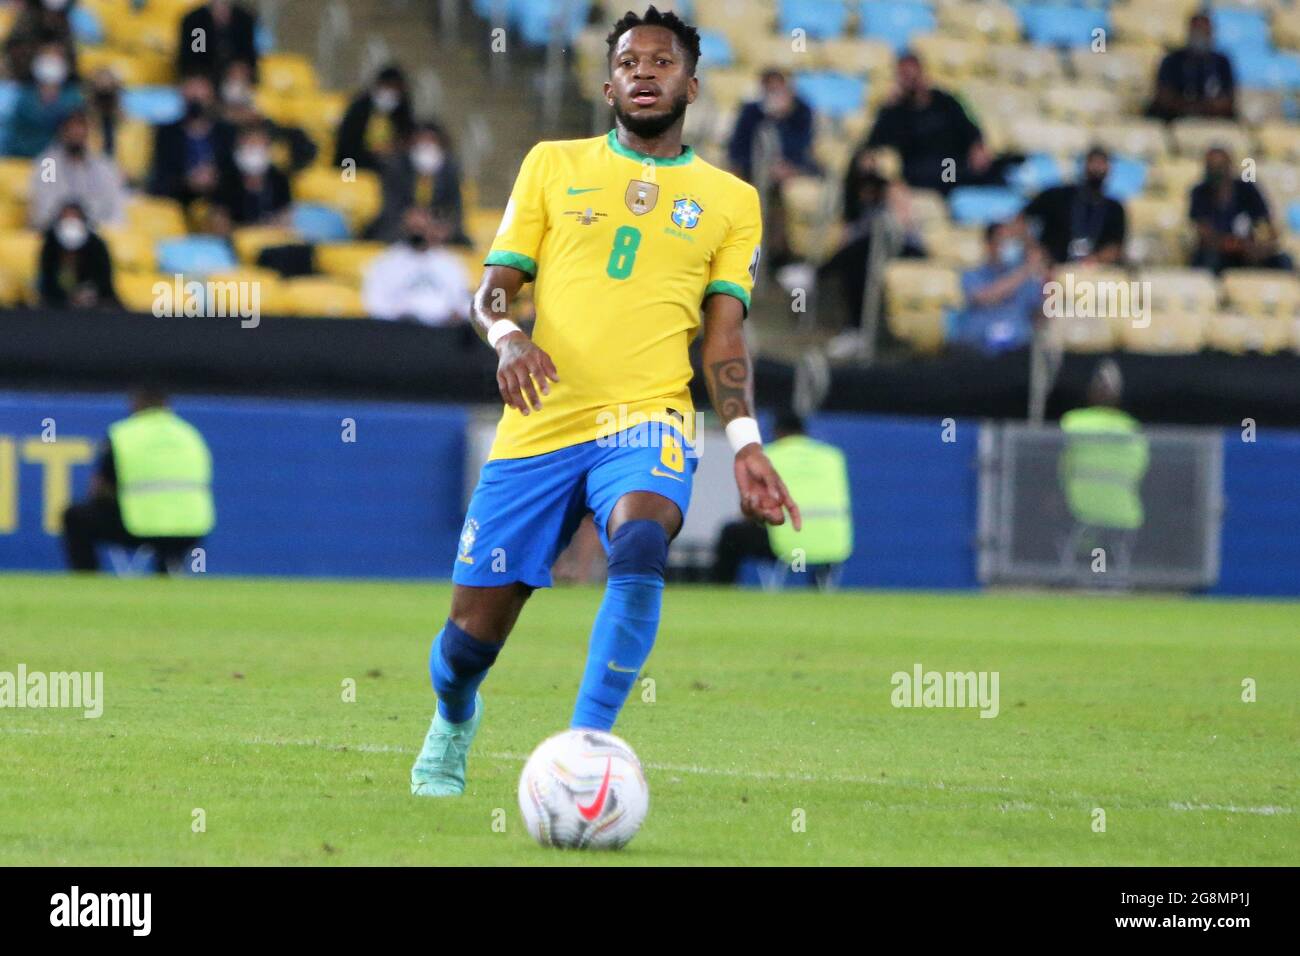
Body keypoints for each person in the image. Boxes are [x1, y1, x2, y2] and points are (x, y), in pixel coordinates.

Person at [409, 5, 800, 797]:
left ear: (691, 83)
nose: (644, 73)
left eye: (661, 62)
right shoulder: (552, 164)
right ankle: (454, 718)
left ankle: (587, 746)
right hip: (543, 419)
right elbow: (492, 291)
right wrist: (508, 339)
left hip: (648, 416)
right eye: (628, 62)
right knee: (467, 643)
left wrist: (750, 441)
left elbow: (723, 342)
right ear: (607, 81)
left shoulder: (732, 201)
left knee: (642, 543)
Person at [62, 390, 215, 575]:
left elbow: (100, 488)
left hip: (140, 525)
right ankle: (167, 577)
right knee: (168, 543)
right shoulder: (189, 434)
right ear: (167, 407)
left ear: (135, 405)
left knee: (75, 517)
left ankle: (87, 581)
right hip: (191, 528)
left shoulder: (123, 435)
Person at [711, 412, 851, 588]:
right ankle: (819, 584)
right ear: (804, 432)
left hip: (785, 544)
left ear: (777, 432)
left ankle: (722, 590)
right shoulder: (833, 457)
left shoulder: (767, 457)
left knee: (731, 533)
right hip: (833, 543)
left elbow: (751, 509)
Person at [1058, 359, 1149, 582]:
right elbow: (1142, 472)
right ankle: (1109, 578)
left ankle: (1074, 577)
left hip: (1078, 510)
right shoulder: (1132, 428)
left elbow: (1057, 467)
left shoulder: (1072, 422)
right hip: (1125, 514)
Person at [852, 52, 991, 195]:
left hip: (951, 164)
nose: (911, 81)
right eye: (906, 76)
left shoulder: (945, 101)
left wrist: (977, 145)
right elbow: (875, 142)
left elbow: (969, 128)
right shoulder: (895, 112)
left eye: (914, 75)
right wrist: (888, 108)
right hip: (918, 170)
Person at [948, 221, 1047, 355]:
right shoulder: (971, 274)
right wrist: (1025, 271)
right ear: (988, 245)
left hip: (1018, 353)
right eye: (1002, 242)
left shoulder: (1027, 280)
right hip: (977, 352)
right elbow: (985, 297)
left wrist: (1045, 279)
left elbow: (1039, 315)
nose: (1008, 247)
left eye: (1012, 242)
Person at [361, 207, 472, 325]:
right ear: (405, 228)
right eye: (414, 227)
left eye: (422, 227)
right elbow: (374, 303)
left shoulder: (450, 263)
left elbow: (462, 301)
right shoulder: (386, 262)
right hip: (400, 331)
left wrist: (458, 313)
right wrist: (400, 314)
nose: (418, 231)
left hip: (443, 332)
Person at [1189, 146, 1292, 272]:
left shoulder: (1247, 189)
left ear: (1230, 166)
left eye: (1221, 166)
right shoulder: (1200, 192)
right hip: (1219, 251)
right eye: (1213, 167)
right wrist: (1235, 246)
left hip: (1250, 249)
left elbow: (1267, 226)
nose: (1218, 172)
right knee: (1207, 261)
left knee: (1283, 261)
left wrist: (1262, 247)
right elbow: (1204, 233)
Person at [366, 121, 469, 245]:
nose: (426, 146)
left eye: (431, 141)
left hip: (438, 229)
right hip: (399, 228)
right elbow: (389, 207)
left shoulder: (450, 170)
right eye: (422, 141)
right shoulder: (395, 167)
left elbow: (455, 209)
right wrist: (409, 218)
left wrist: (439, 225)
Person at [1022, 147, 1126, 266]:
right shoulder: (1057, 195)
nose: (1097, 168)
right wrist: (1033, 248)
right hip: (1051, 269)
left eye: (1102, 164)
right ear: (1083, 165)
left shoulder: (1114, 208)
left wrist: (1095, 259)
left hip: (1091, 276)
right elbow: (1022, 218)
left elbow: (1116, 246)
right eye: (1093, 162)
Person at [147, 73, 235, 212]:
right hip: (178, 201)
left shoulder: (227, 133)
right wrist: (187, 181)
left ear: (212, 95)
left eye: (201, 89)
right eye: (191, 89)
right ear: (181, 93)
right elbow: (160, 175)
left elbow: (234, 172)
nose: (196, 96)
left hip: (220, 201)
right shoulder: (167, 133)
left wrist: (215, 177)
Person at [29, 109, 127, 231]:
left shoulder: (105, 167)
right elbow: (42, 212)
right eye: (71, 127)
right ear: (62, 131)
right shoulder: (48, 165)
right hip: (57, 235)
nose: (76, 132)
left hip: (96, 235)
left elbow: (116, 212)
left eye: (81, 126)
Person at [218, 60, 317, 173]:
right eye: (254, 145)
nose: (253, 142)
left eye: (251, 145)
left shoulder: (270, 127)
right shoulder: (222, 133)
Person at [726, 68, 816, 185]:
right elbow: (738, 146)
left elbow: (803, 144)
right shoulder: (751, 112)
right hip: (755, 167)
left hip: (791, 167)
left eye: (779, 90)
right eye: (771, 90)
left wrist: (789, 165)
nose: (776, 96)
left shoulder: (801, 112)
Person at [4, 35, 83, 158]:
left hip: (57, 163)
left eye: (56, 58)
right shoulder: (24, 95)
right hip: (21, 158)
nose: (51, 62)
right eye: (47, 57)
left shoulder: (73, 97)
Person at [1148, 13, 1235, 121]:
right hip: (1174, 119)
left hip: (1211, 121)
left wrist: (1202, 108)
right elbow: (1163, 96)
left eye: (1205, 32)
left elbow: (1227, 100)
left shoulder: (1222, 62)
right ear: (1189, 32)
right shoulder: (1171, 60)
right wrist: (1188, 107)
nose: (1200, 37)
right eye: (1197, 32)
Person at [211, 120, 291, 230]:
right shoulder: (224, 177)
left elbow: (286, 218)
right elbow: (219, 222)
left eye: (258, 145)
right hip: (238, 239)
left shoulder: (279, 178)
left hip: (271, 237)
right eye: (249, 145)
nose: (254, 150)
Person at [333, 65, 415, 173]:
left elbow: (407, 141)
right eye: (387, 87)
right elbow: (347, 147)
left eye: (394, 89)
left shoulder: (403, 113)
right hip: (355, 165)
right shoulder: (359, 109)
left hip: (389, 171)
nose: (389, 93)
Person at [38, 201, 117, 308]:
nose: (70, 222)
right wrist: (66, 297)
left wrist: (90, 292)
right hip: (57, 306)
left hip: (94, 306)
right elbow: (46, 281)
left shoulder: (96, 245)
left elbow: (104, 281)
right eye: (66, 217)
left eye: (74, 217)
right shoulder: (50, 245)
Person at [177, 0, 260, 85]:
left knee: (236, 91)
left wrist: (240, 70)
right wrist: (199, 79)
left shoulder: (245, 20)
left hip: (233, 80)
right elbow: (191, 61)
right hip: (204, 77)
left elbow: (248, 57)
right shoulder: (194, 21)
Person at [4, 0, 78, 86]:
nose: (52, 15)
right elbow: (15, 45)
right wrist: (39, 50)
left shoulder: (70, 21)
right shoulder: (29, 19)